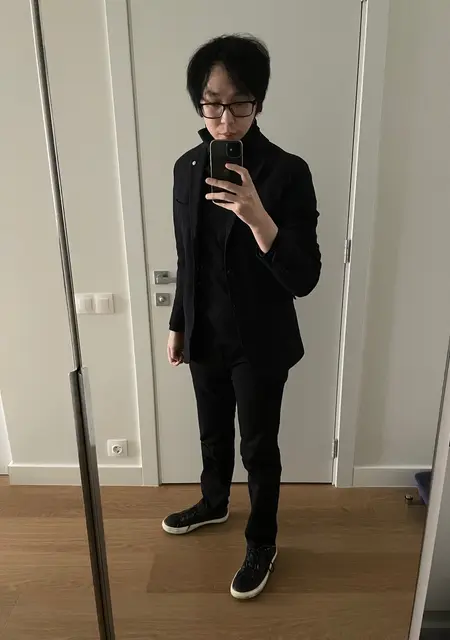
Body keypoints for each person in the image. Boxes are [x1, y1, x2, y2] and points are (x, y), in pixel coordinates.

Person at [162, 34, 321, 600]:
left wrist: (258, 218)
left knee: (257, 447)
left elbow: (304, 277)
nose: (225, 120)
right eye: (212, 104)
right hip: (205, 332)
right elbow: (188, 258)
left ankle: (262, 540)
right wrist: (179, 323)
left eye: (239, 104)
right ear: (198, 104)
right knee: (211, 434)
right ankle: (213, 503)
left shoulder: (287, 171)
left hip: (260, 342)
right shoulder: (186, 168)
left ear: (259, 101)